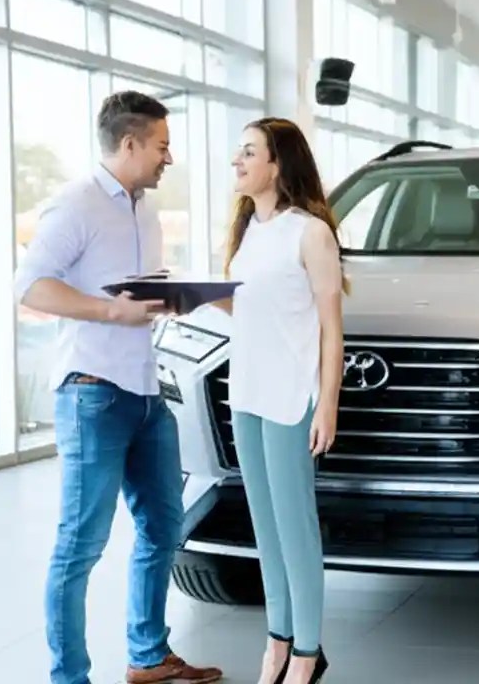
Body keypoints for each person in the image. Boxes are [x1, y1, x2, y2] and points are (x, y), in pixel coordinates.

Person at [14, 91, 224, 684]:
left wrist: (170, 293)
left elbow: (128, 291)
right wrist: (110, 314)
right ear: (129, 144)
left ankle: (148, 656)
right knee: (80, 545)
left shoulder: (145, 209)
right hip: (92, 394)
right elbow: (30, 287)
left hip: (144, 392)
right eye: (161, 146)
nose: (169, 158)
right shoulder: (75, 205)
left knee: (165, 526)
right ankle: (69, 678)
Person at [212, 117, 345, 684]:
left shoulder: (310, 233)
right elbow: (252, 311)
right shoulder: (249, 232)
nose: (237, 162)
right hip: (246, 391)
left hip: (293, 395)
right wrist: (194, 298)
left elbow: (332, 329)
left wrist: (328, 406)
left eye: (248, 152)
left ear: (278, 163)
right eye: (237, 153)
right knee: (264, 528)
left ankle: (309, 654)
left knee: (296, 526)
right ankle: (278, 643)